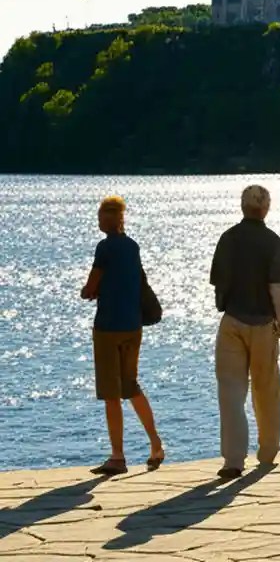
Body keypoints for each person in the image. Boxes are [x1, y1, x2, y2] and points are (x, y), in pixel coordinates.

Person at [80, 196, 164, 476]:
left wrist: (88, 291)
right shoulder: (132, 247)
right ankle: (156, 444)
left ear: (112, 219)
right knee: (131, 386)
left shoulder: (105, 248)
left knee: (111, 393)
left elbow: (91, 285)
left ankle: (117, 457)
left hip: (108, 327)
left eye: (102, 216)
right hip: (133, 326)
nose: (98, 220)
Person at [210, 185, 280, 480]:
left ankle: (233, 460)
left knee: (231, 392)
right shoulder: (272, 242)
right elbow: (276, 286)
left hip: (233, 321)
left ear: (242, 207)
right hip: (263, 323)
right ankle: (267, 451)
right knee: (266, 389)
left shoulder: (228, 239)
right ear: (266, 208)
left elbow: (218, 281)